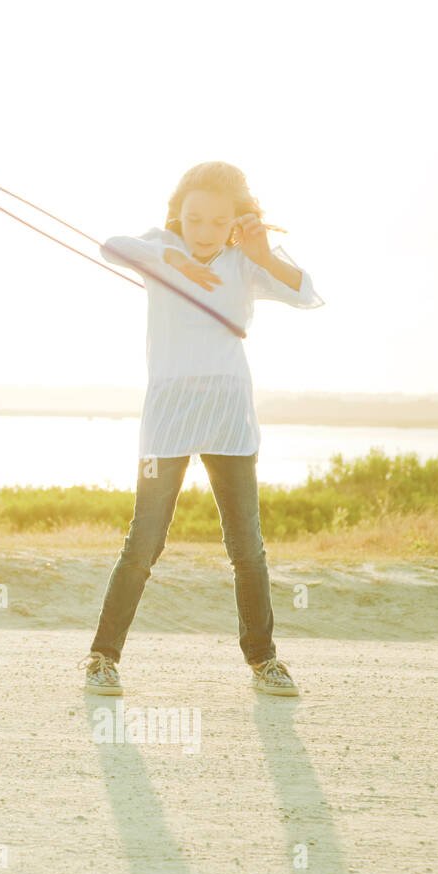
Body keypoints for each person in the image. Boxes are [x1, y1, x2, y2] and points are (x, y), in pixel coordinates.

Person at [77, 161, 324, 698]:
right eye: (195, 219)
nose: (205, 231)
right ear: (179, 214)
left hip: (229, 419)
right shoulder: (160, 247)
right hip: (166, 420)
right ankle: (102, 657)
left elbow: (307, 293)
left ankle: (264, 661)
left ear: (236, 220)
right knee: (143, 542)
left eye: (217, 221)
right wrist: (175, 261)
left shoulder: (246, 263)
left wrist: (262, 257)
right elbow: (111, 246)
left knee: (247, 548)